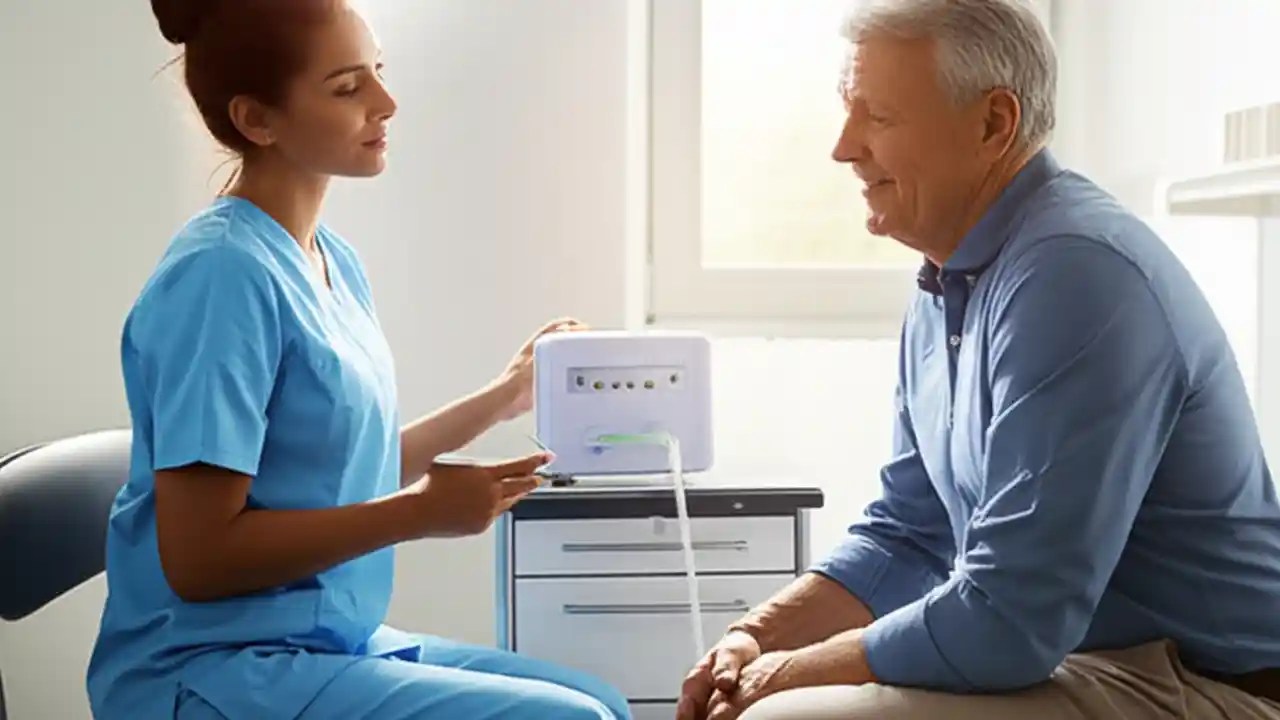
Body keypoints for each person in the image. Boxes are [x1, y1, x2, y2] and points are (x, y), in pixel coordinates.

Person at [676, 1, 1280, 719]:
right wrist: (752, 640)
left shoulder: (1075, 273)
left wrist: (784, 676)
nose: (843, 147)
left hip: (1209, 685)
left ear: (994, 124)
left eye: (879, 117)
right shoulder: (947, 281)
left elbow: (1009, 620)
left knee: (786, 716)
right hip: (1092, 661)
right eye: (848, 111)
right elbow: (909, 533)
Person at [84, 2, 631, 719]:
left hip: (319, 644)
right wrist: (418, 515)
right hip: (206, 669)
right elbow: (200, 559)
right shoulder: (220, 278)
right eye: (348, 88)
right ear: (258, 120)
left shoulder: (329, 260)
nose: (387, 102)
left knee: (598, 701)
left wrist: (505, 395)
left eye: (378, 71)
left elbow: (343, 474)